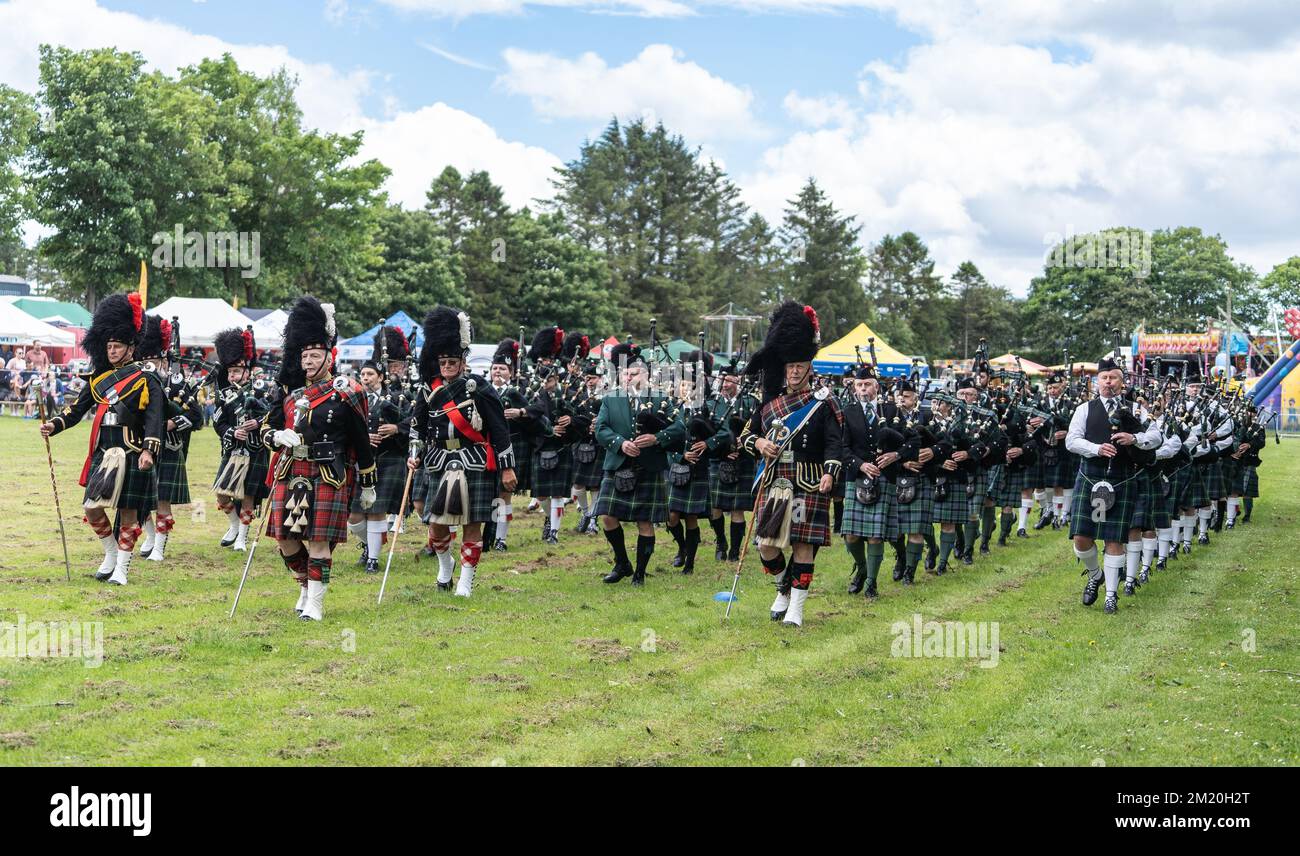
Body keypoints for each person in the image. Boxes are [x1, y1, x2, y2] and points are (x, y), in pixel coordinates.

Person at [259, 296, 377, 621]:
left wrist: (367, 482)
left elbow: (361, 440)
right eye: (304, 355)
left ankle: (316, 605)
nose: (308, 361)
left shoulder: (347, 392)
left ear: (329, 355)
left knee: (319, 541)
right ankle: (304, 586)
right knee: (285, 540)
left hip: (328, 472)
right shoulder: (290, 393)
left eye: (314, 355)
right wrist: (274, 436)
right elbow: (266, 426)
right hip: (290, 468)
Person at [39, 292, 162, 585]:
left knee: (128, 513)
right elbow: (76, 409)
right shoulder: (98, 380)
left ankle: (122, 568)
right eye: (109, 346)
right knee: (91, 507)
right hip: (104, 452)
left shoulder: (147, 379)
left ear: (131, 347)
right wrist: (55, 425)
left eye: (117, 346)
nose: (112, 351)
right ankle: (109, 553)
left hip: (132, 450)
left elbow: (155, 420)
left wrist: (149, 451)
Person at [740, 302, 845, 627]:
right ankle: (783, 584)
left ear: (809, 368)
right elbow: (745, 435)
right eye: (791, 367)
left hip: (810, 480)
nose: (795, 371)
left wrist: (830, 471)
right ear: (784, 368)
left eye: (801, 366)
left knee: (803, 543)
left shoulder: (822, 403)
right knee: (766, 545)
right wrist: (759, 442)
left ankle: (796, 610)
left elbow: (833, 442)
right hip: (775, 481)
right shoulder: (770, 404)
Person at [409, 306, 515, 597]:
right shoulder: (427, 391)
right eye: (443, 361)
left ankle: (465, 582)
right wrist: (413, 453)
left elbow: (499, 428)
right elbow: (417, 426)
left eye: (452, 360)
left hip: (474, 460)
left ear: (463, 360)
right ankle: (446, 564)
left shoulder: (478, 388)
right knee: (436, 526)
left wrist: (507, 467)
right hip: (439, 461)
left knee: (472, 525)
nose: (447, 365)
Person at [1065, 356, 1163, 614]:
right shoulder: (1085, 409)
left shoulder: (1136, 409)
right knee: (1081, 538)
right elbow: (1072, 441)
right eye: (1105, 378)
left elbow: (1156, 437)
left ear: (1122, 381)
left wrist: (1135, 438)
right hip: (1090, 476)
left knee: (1113, 539)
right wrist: (1096, 448)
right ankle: (1095, 575)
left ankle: (1110, 596)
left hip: (1122, 477)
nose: (1109, 382)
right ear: (1098, 381)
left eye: (1114, 378)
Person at [593, 342, 686, 587]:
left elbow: (679, 428)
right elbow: (601, 429)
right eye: (624, 373)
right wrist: (620, 443)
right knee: (607, 517)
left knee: (644, 521)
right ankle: (622, 563)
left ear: (645, 375)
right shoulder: (611, 399)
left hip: (649, 465)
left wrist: (657, 438)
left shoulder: (661, 399)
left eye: (633, 373)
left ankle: (640, 574)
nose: (627, 377)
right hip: (618, 464)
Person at [346, 325, 413, 574]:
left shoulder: (397, 399)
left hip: (387, 458)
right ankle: (369, 544)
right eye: (362, 374)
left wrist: (396, 428)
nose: (365, 378)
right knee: (353, 517)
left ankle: (373, 558)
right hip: (361, 461)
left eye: (370, 374)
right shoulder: (353, 399)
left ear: (380, 378)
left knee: (376, 512)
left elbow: (414, 421)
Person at [134, 315, 201, 562]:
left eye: (152, 358)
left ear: (163, 358)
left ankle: (160, 548)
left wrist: (173, 423)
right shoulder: (137, 381)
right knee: (139, 500)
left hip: (169, 448)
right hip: (141, 446)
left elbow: (196, 417)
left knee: (162, 502)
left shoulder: (177, 382)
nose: (148, 363)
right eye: (144, 358)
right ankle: (151, 538)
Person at [840, 364, 905, 597]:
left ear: (876, 387)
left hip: (884, 477)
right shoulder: (847, 411)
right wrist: (860, 464)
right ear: (854, 387)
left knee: (876, 536)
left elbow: (905, 442)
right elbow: (842, 447)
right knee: (851, 535)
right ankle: (862, 567)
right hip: (856, 475)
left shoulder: (891, 410)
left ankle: (872, 583)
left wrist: (895, 456)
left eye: (867, 384)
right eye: (859, 385)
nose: (864, 388)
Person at [665, 351, 732, 574]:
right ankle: (682, 547)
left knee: (691, 517)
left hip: (698, 470)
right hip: (676, 468)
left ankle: (690, 563)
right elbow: (663, 441)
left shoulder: (708, 409)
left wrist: (707, 443)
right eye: (682, 385)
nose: (685, 389)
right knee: (672, 517)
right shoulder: (671, 411)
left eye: (689, 385)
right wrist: (680, 456)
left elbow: (725, 433)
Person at [211, 328, 272, 551]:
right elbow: (219, 423)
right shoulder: (224, 394)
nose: (233, 376)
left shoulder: (262, 390)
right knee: (222, 494)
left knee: (248, 495)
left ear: (247, 371)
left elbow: (273, 415)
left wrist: (257, 423)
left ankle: (242, 538)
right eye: (230, 372)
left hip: (256, 449)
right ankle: (234, 525)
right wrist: (231, 432)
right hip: (233, 449)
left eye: (237, 371)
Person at [706, 359, 757, 562]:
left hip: (743, 461)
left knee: (737, 509)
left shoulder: (750, 402)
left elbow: (757, 429)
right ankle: (721, 542)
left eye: (730, 380)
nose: (726, 384)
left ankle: (735, 551)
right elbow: (706, 432)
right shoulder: (711, 404)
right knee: (715, 507)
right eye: (723, 380)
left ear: (739, 380)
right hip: (719, 460)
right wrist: (723, 450)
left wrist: (744, 445)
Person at [486, 338, 535, 552]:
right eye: (495, 368)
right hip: (486, 448)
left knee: (503, 494)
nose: (498, 372)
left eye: (502, 369)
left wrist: (520, 413)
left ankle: (500, 538)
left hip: (510, 447)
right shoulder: (482, 390)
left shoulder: (515, 393)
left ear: (511, 372)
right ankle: (488, 534)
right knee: (488, 494)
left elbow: (535, 415)